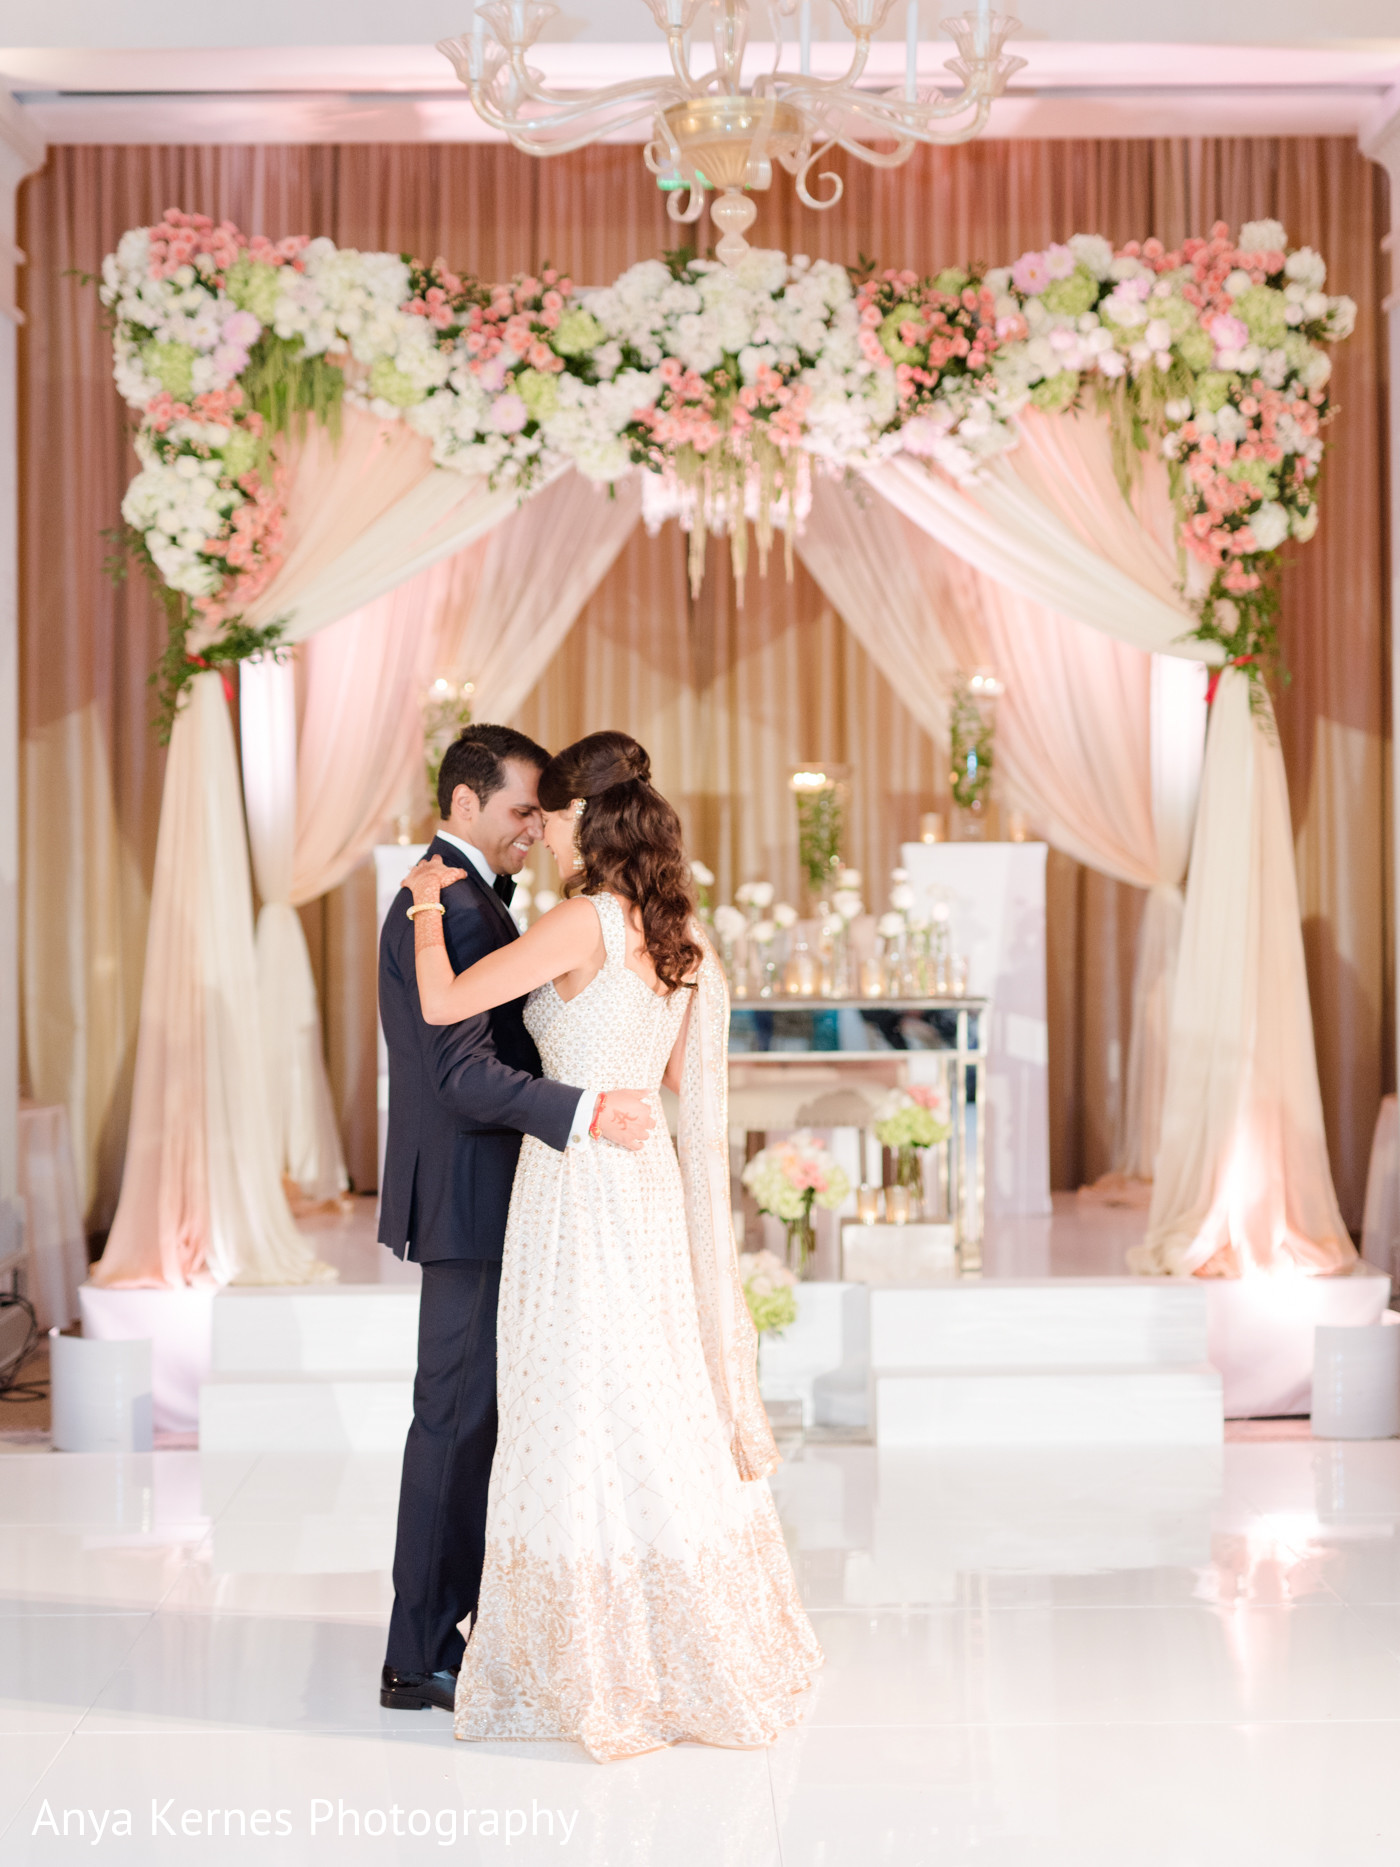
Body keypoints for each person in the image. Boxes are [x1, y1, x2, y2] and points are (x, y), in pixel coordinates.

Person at [402, 729, 822, 1760]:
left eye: (548, 812)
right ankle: (685, 1633)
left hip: (575, 1187)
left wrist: (420, 905)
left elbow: (444, 1002)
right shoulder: (679, 931)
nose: (534, 827)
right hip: (642, 1182)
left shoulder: (579, 917)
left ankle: (596, 1650)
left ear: (583, 821)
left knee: (576, 1404)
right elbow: (684, 1084)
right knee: (648, 1396)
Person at [378, 724, 657, 1715]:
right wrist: (583, 1109)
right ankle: (417, 1653)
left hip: (512, 1195)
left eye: (544, 813)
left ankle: (461, 1623)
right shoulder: (445, 902)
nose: (534, 829)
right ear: (463, 805)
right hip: (468, 1194)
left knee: (482, 1424)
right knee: (451, 1424)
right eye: (519, 811)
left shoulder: (476, 903)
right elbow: (459, 1071)